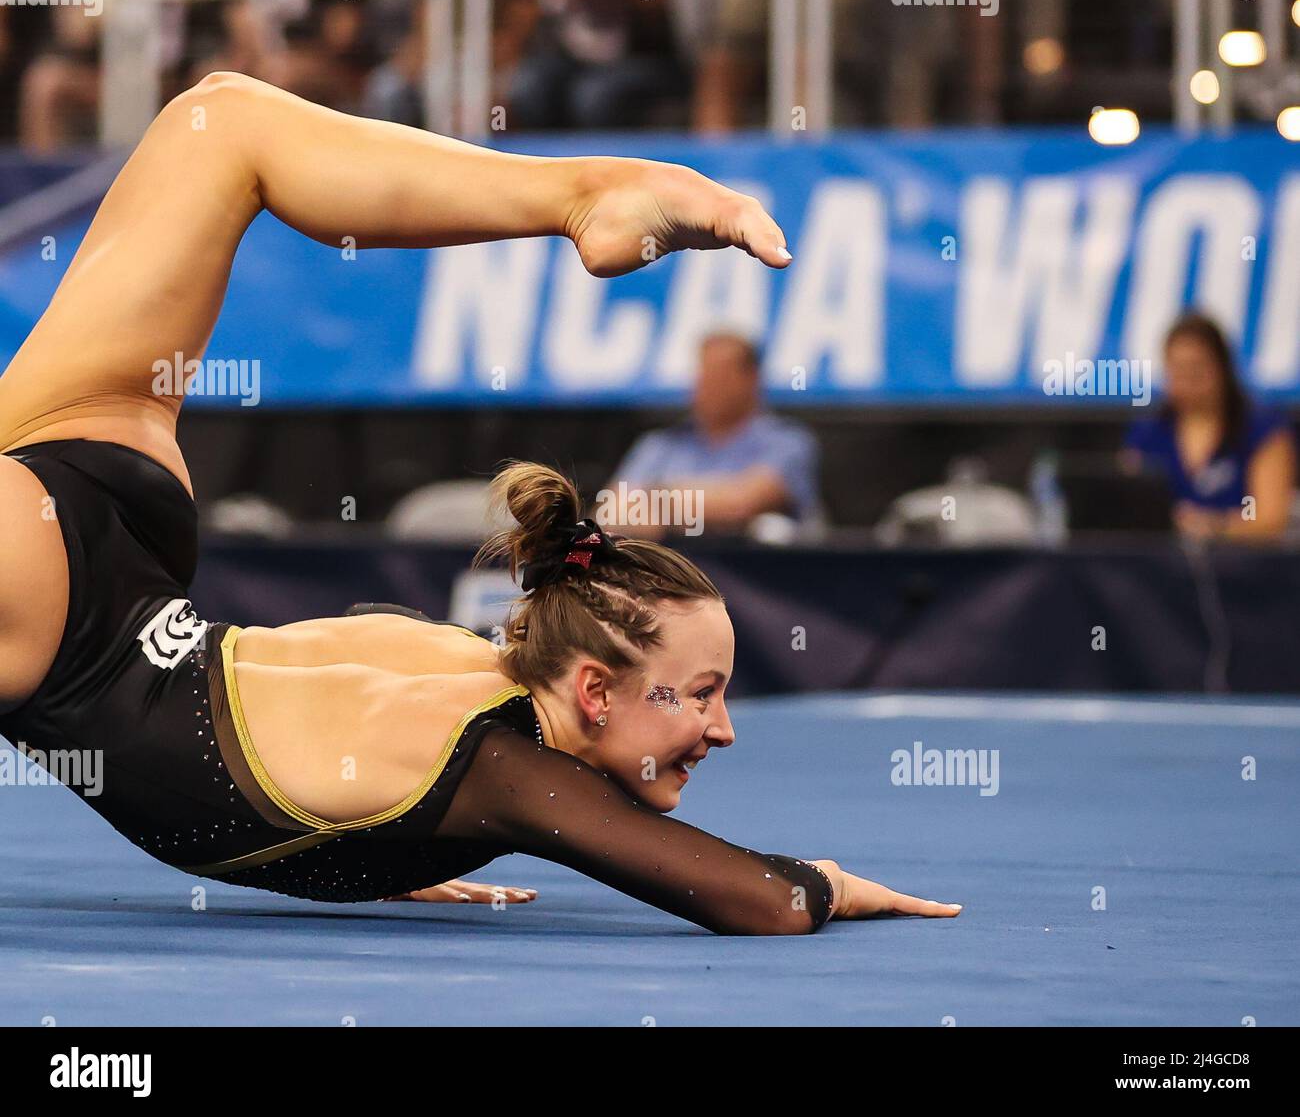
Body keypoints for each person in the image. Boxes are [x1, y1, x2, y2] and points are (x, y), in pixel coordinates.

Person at [0, 72, 960, 934]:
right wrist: (823, 884)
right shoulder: (503, 768)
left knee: (223, 121)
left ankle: (579, 191)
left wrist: (378, 853)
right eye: (701, 694)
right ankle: (589, 192)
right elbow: (755, 899)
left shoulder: (472, 673)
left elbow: (335, 746)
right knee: (222, 126)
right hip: (76, 613)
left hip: (103, 516)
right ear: (592, 689)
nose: (722, 729)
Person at [610, 332, 820, 537]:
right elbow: (610, 512)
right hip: (670, 568)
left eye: (721, 375)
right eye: (703, 373)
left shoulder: (787, 442)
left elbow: (742, 503)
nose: (707, 385)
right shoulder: (661, 445)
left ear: (751, 379)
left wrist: (653, 502)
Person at [1123, 314, 1296, 542]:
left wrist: (1215, 525)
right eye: (1177, 372)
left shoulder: (1261, 430)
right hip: (1161, 567)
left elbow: (1269, 519)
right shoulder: (1148, 433)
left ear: (1222, 368)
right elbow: (1124, 506)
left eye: (1195, 371)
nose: (1186, 384)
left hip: (1245, 567)